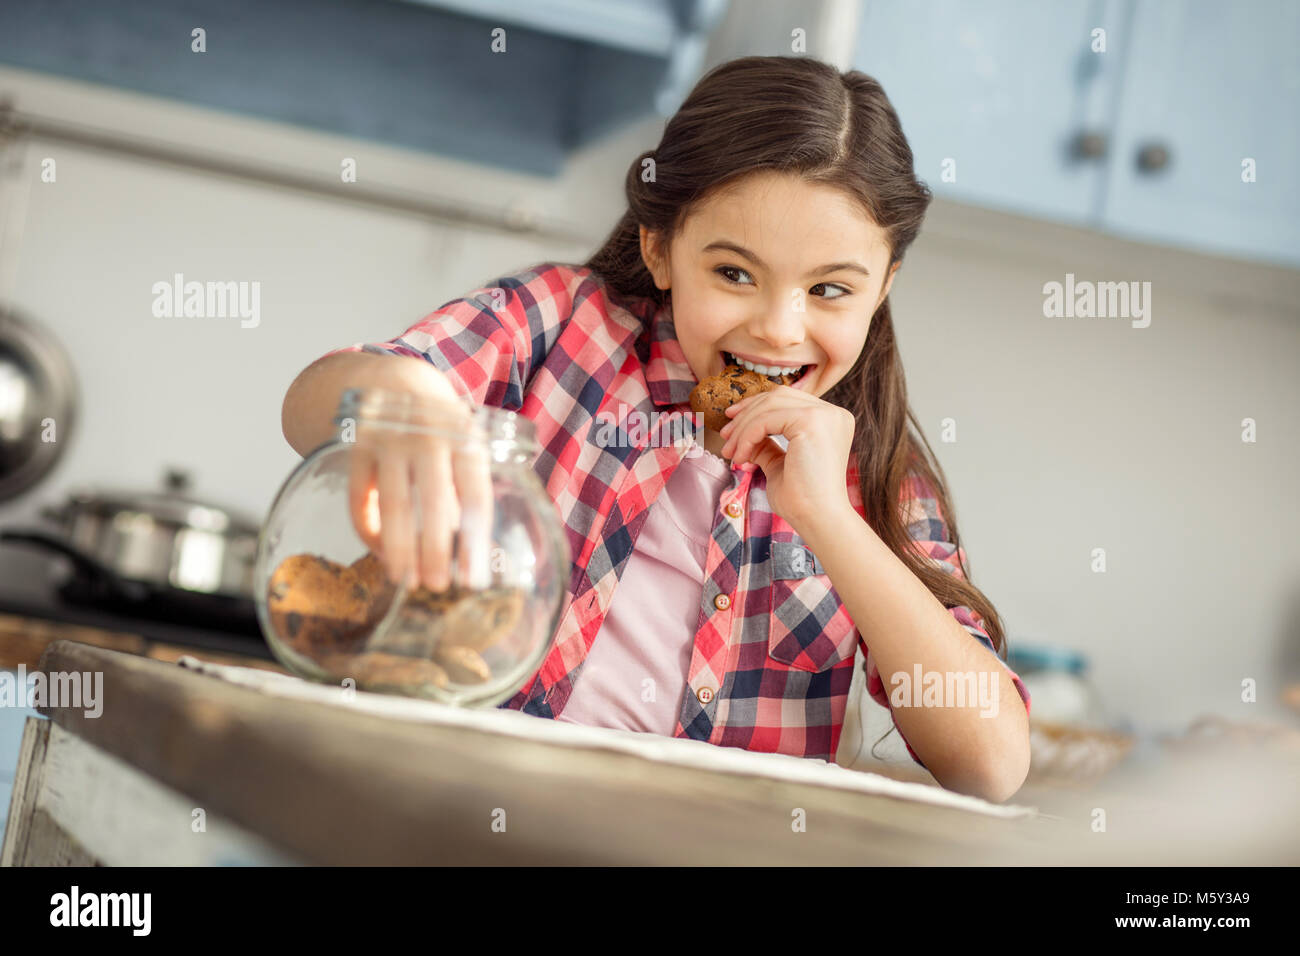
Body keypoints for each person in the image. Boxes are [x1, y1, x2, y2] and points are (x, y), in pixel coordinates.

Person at [281, 56, 1031, 802]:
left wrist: (830, 519)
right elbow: (315, 405)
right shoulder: (561, 328)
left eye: (830, 289)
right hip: (467, 812)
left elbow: (991, 764)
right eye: (735, 274)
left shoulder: (880, 480)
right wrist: (401, 403)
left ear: (884, 285)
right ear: (659, 247)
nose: (778, 329)